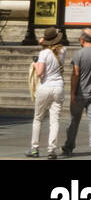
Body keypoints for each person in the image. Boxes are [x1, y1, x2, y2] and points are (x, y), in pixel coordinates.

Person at [62, 29, 91, 157]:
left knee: (74, 120)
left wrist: (72, 92)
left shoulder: (79, 54)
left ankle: (69, 146)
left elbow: (75, 74)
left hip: (80, 92)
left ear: (83, 40)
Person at [30, 27, 64, 158]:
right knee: (54, 120)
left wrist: (35, 64)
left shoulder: (43, 54)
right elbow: (51, 47)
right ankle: (51, 150)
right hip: (58, 87)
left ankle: (34, 148)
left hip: (45, 86)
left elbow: (39, 73)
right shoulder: (62, 51)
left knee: (38, 118)